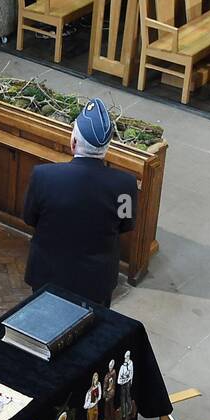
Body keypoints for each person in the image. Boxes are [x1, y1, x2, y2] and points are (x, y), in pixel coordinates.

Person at [21, 98, 137, 307]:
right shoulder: (125, 185)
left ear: (73, 143)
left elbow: (30, 218)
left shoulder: (43, 176)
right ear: (107, 148)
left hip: (47, 275)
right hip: (96, 282)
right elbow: (126, 224)